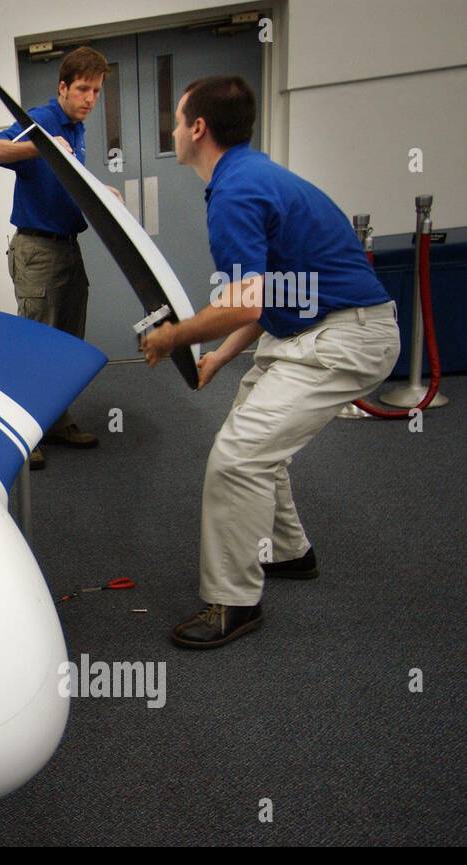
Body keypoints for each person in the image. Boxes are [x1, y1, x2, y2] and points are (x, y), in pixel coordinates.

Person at [141, 75, 399, 649]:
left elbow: (244, 301)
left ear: (198, 128)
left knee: (237, 458)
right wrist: (216, 357)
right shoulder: (254, 175)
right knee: (256, 441)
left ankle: (235, 602)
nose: (175, 131)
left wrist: (173, 337)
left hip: (345, 339)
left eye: (178, 120)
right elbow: (278, 292)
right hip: (316, 329)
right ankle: (287, 552)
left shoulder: (236, 192)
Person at [0, 46, 113, 470]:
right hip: (37, 250)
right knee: (34, 344)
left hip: (67, 248)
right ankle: (27, 433)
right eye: (82, 89)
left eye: (96, 90)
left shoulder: (77, 128)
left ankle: (56, 421)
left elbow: (67, 179)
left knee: (65, 345)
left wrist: (98, 192)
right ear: (62, 87)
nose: (90, 98)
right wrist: (39, 146)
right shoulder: (42, 121)